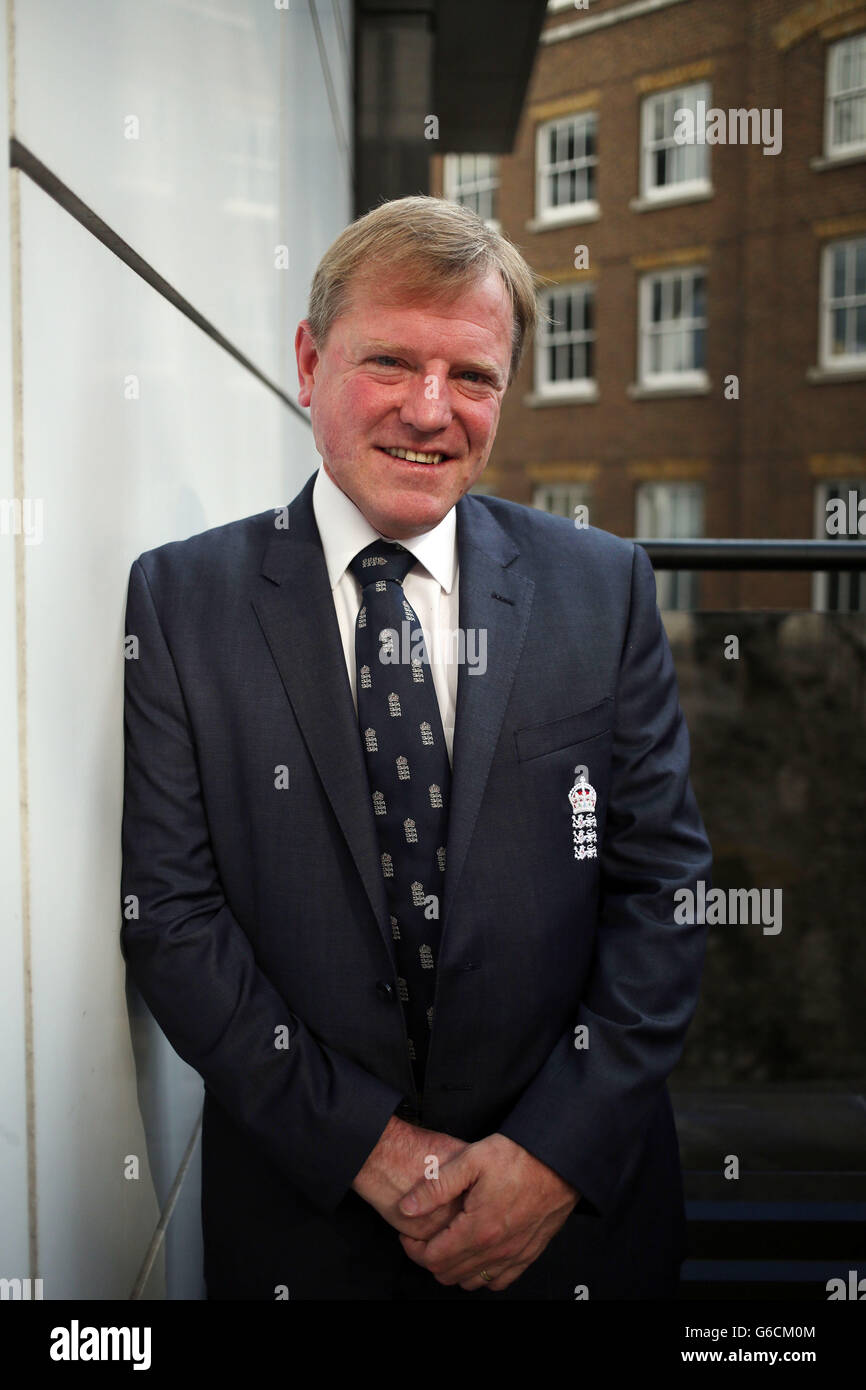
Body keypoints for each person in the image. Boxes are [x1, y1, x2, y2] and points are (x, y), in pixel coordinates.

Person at [120, 194, 712, 1301]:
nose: (430, 411)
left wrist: (546, 1160)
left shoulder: (601, 589)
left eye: (473, 376)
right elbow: (172, 915)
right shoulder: (180, 600)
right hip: (310, 1230)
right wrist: (372, 1152)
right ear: (308, 361)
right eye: (388, 360)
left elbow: (662, 891)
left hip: (575, 1226)